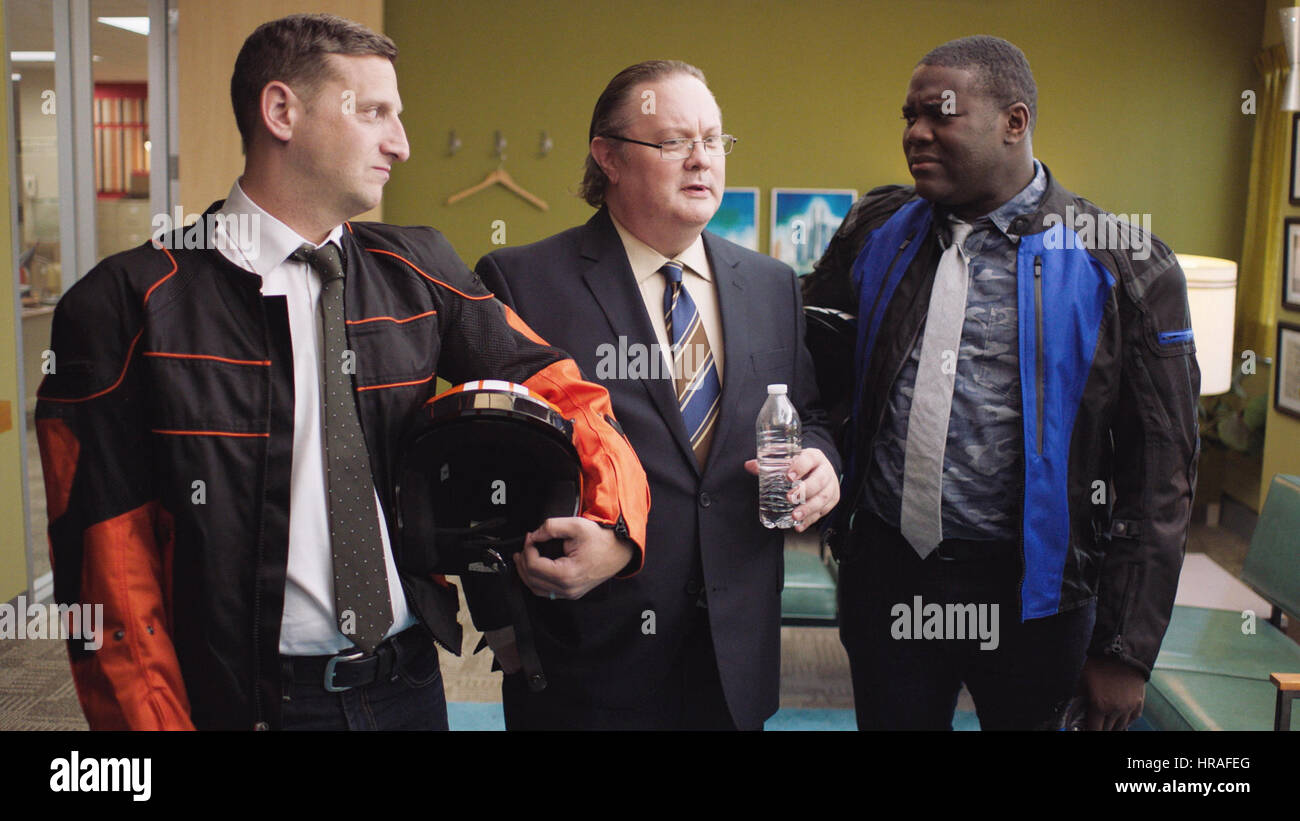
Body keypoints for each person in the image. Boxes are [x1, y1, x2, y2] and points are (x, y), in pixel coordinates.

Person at [34, 13, 649, 731]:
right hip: (250, 705)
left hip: (410, 687)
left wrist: (616, 522)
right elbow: (108, 574)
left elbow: (562, 389)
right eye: (375, 113)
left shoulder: (419, 267)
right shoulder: (125, 305)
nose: (402, 142)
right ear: (280, 111)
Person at [803, 35, 1198, 731]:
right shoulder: (877, 230)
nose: (914, 133)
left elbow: (1161, 476)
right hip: (892, 582)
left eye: (940, 113)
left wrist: (1126, 652)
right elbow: (815, 370)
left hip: (1037, 602)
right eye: (908, 115)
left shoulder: (1126, 264)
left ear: (1014, 122)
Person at [473, 60, 840, 730]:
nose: (702, 160)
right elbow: (487, 473)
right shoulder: (523, 282)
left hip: (734, 660)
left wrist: (823, 466)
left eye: (713, 139)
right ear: (607, 156)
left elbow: (808, 417)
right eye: (673, 142)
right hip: (588, 662)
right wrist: (509, 621)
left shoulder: (773, 285)